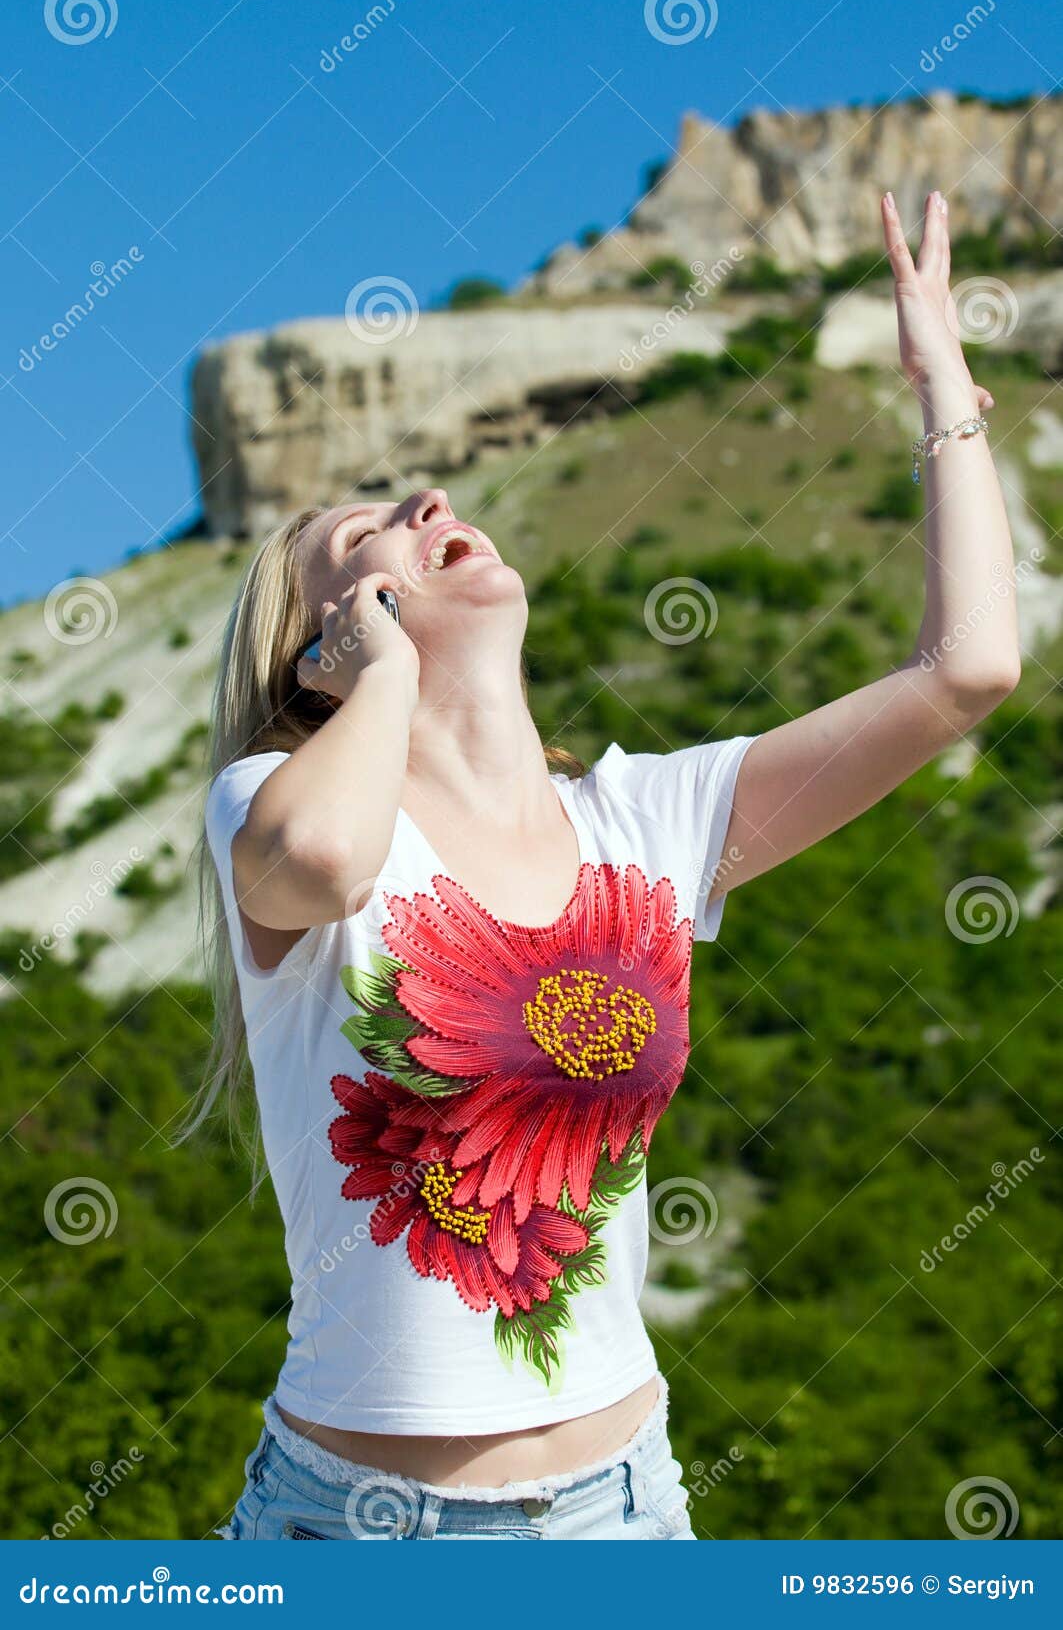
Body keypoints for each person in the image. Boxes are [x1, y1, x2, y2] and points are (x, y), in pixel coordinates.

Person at [201, 193, 1019, 1540]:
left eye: (417, 499)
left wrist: (941, 385)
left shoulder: (644, 825)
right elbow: (322, 852)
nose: (428, 500)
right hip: (352, 1532)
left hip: (625, 1511)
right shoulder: (274, 804)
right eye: (367, 542)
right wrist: (386, 677)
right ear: (321, 653)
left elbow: (967, 670)